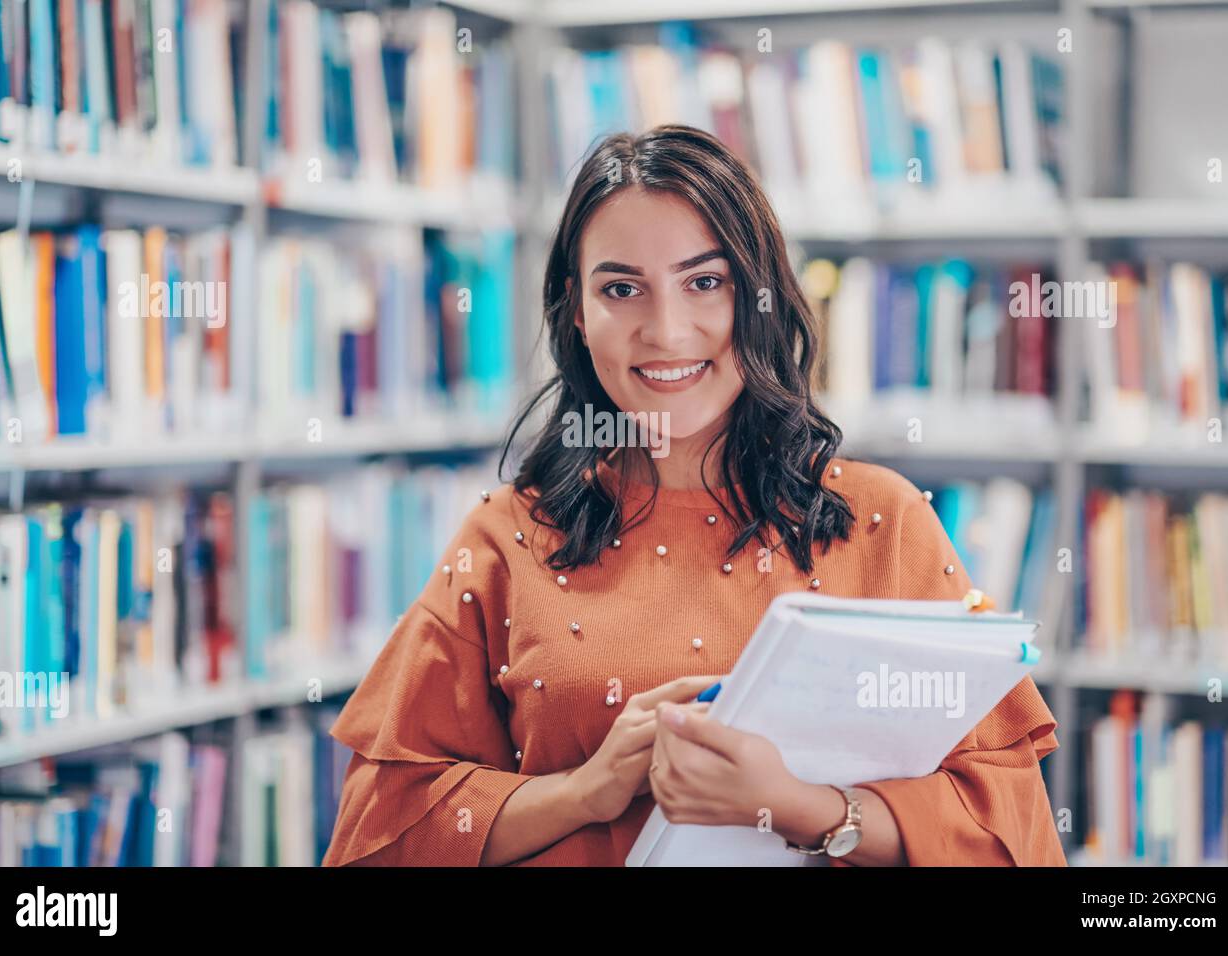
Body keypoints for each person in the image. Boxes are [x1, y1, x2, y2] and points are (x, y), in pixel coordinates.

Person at [322, 125, 1066, 867]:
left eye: (705, 282)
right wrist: (587, 790)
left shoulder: (884, 521)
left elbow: (1010, 827)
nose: (668, 330)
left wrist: (800, 807)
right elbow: (381, 829)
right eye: (621, 289)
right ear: (575, 314)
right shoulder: (506, 537)